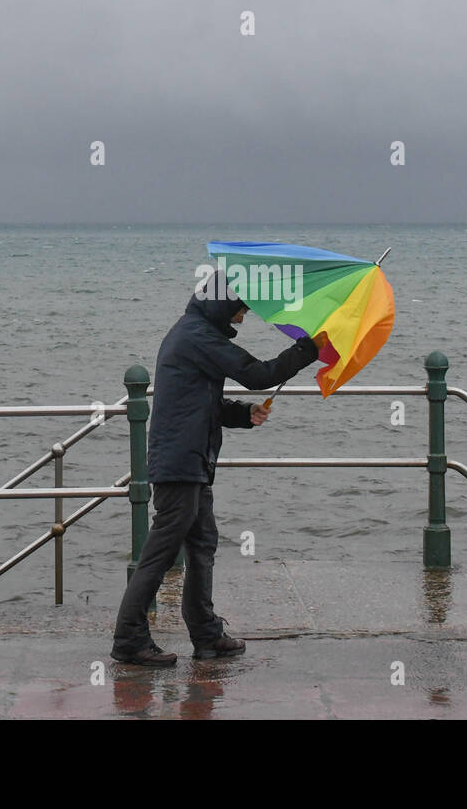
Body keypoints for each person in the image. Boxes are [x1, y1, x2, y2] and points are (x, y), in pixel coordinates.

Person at [110, 269, 324, 666]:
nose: (243, 315)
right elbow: (258, 374)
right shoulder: (197, 336)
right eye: (241, 308)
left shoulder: (195, 335)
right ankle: (129, 639)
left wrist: (244, 415)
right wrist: (311, 348)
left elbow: (201, 402)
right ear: (222, 303)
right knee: (160, 553)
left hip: (191, 460)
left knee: (203, 544)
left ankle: (207, 636)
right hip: (180, 463)